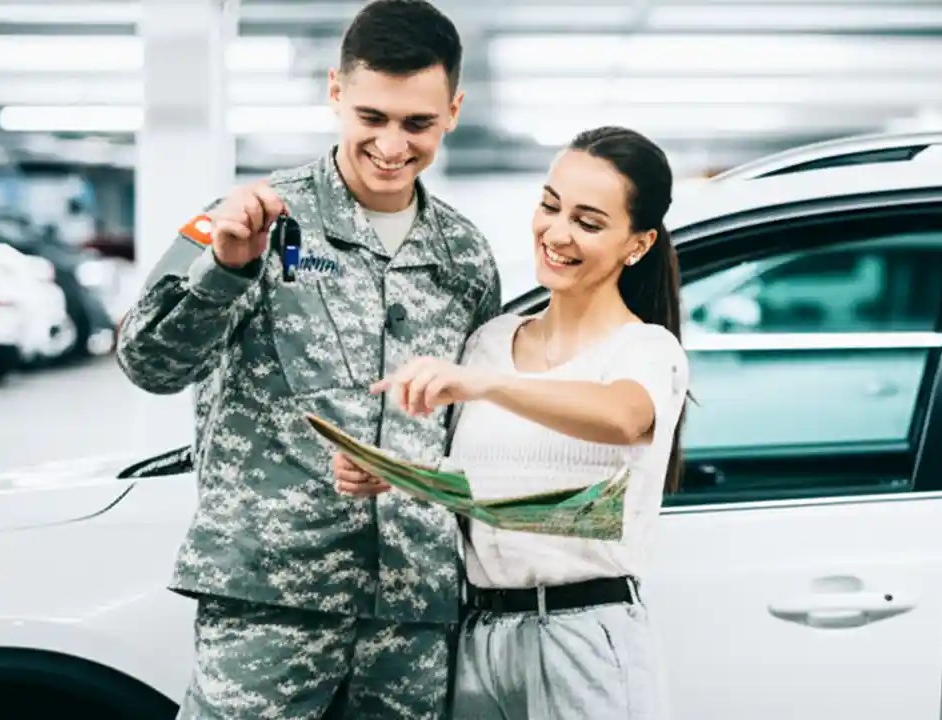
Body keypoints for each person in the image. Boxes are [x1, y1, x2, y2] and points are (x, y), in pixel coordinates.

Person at [115, 2, 500, 718]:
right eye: (372, 117)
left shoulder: (466, 255)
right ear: (335, 92)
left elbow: (471, 426)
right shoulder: (251, 218)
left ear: (453, 109)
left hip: (412, 611)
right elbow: (148, 365)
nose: (392, 145)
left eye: (417, 124)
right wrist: (226, 268)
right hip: (271, 599)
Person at [334, 125, 690, 719]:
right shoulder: (491, 342)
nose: (556, 232)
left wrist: (489, 385)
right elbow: (490, 491)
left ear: (639, 242)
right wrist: (400, 476)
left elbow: (623, 418)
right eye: (550, 206)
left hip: (582, 634)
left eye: (589, 221)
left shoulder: (646, 349)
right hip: (481, 635)